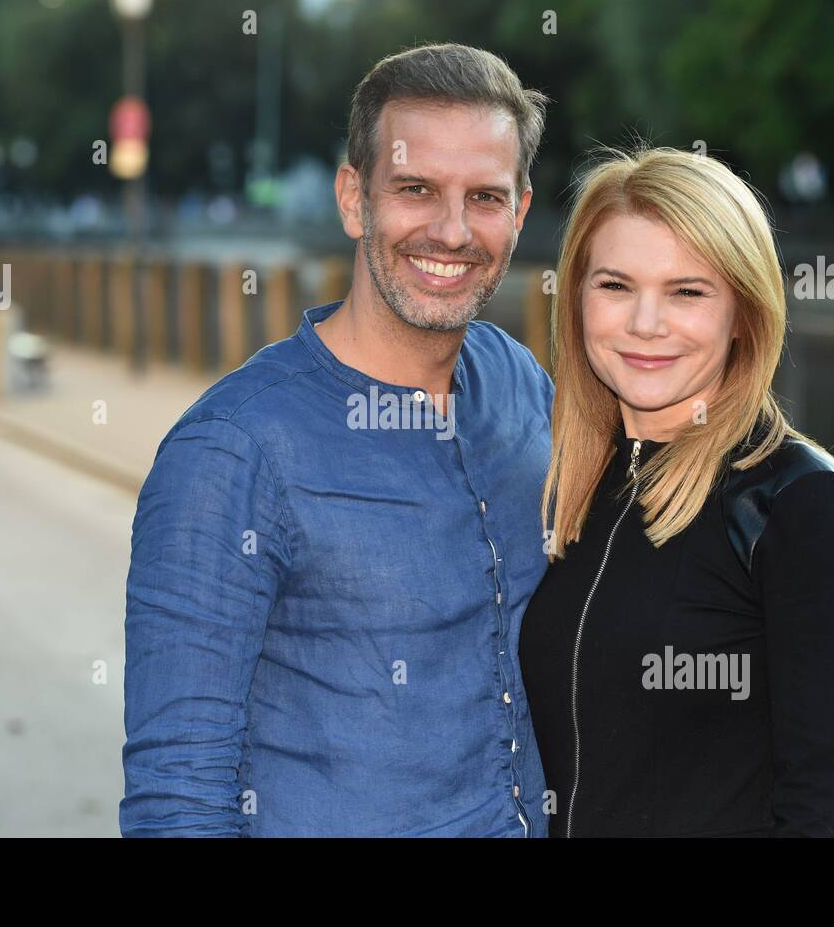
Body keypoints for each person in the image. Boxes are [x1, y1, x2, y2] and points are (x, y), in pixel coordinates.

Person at [121, 43, 555, 836]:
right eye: (416, 189)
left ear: (520, 213)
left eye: (485, 197)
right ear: (354, 199)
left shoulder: (520, 383)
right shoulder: (232, 452)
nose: (452, 231)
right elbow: (176, 797)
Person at [520, 147, 834, 837]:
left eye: (688, 291)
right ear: (575, 298)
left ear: (743, 312)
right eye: (615, 286)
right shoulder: (573, 484)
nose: (646, 323)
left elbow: (816, 809)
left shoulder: (798, 504)